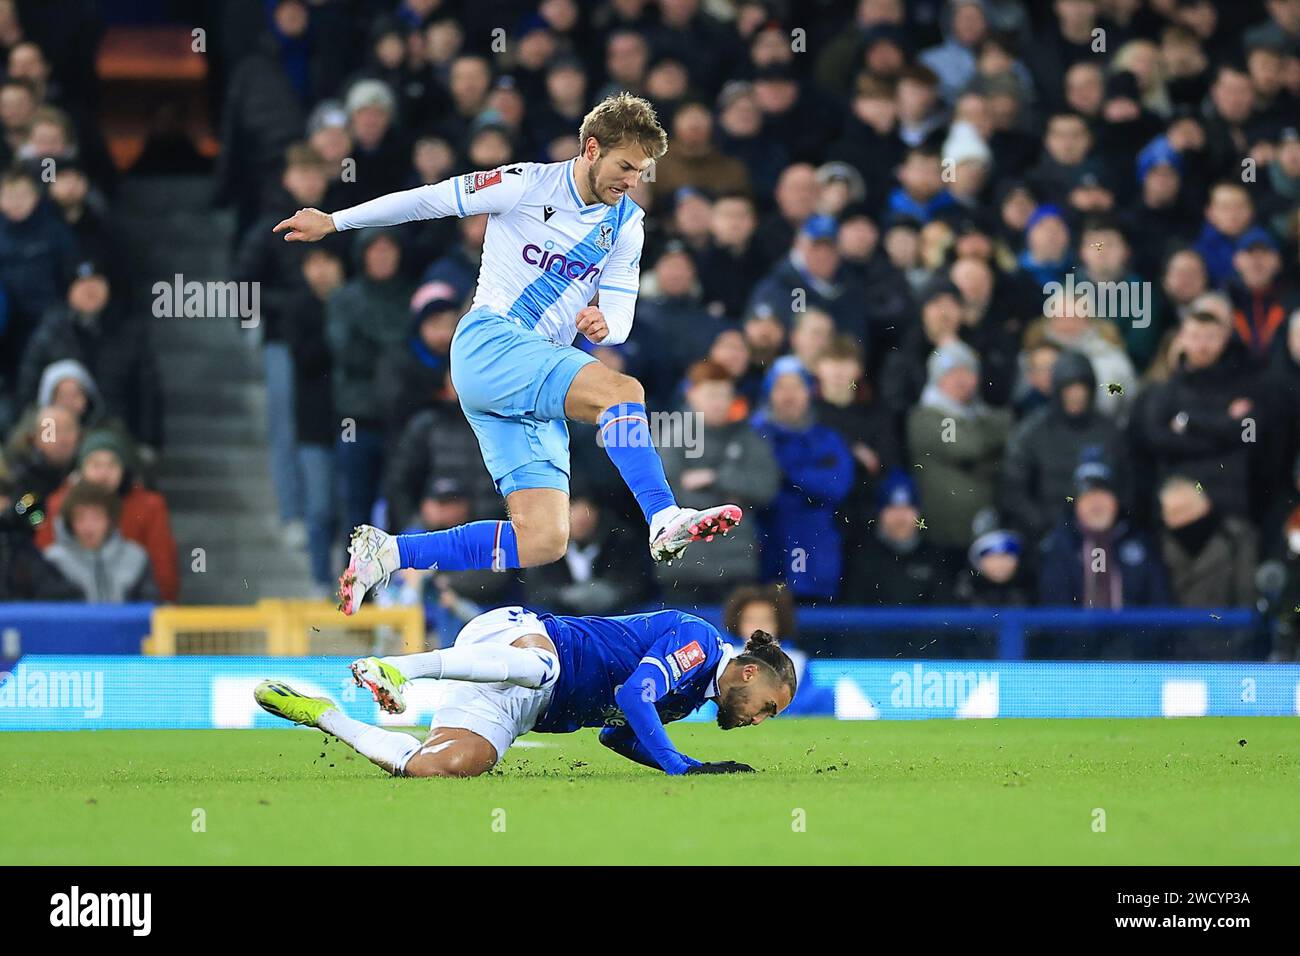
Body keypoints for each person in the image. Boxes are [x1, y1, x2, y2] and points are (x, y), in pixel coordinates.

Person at [274, 93, 741, 614]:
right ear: (591, 149)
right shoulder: (523, 183)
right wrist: (336, 221)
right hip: (491, 343)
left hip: (527, 380)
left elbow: (621, 308)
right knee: (622, 391)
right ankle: (662, 515)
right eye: (625, 166)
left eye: (642, 171)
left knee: (544, 539)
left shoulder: (627, 223)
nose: (632, 181)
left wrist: (608, 326)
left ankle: (387, 553)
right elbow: (428, 200)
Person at [254, 605, 795, 778]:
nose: (760, 720)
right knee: (542, 666)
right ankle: (399, 669)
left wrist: (685, 762)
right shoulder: (698, 642)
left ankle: (323, 715)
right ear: (749, 673)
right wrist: (681, 768)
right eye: (768, 707)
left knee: (439, 769)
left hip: (521, 704)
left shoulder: (692, 695)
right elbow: (633, 697)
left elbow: (614, 732)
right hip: (519, 639)